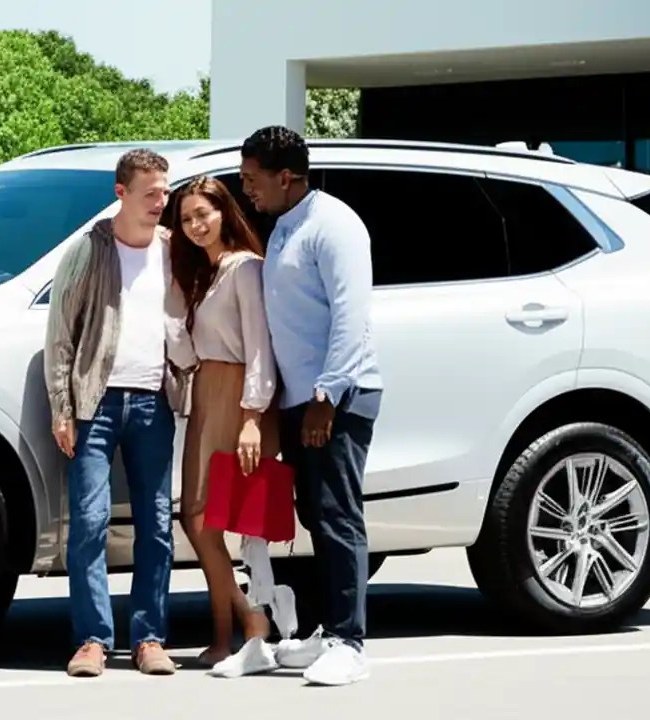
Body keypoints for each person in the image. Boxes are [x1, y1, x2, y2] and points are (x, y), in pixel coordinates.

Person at [238, 125, 384, 686]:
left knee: (339, 515)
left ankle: (351, 642)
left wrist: (327, 395)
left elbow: (351, 317)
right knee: (315, 516)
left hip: (338, 398)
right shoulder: (282, 227)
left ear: (286, 177)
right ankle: (327, 632)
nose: (248, 190)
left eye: (254, 180)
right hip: (300, 401)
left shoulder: (335, 225)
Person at [44, 148, 183, 678]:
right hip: (94, 404)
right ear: (121, 193)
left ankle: (149, 637)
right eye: (150, 193)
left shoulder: (173, 251)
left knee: (156, 526)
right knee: (89, 523)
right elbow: (61, 336)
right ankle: (93, 640)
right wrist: (62, 408)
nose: (160, 202)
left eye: (165, 191)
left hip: (153, 402)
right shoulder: (88, 251)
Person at [163, 176, 298, 678]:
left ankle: (249, 626)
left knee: (219, 518)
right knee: (198, 519)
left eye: (204, 214)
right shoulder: (203, 272)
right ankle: (231, 631)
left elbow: (261, 346)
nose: (196, 225)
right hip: (206, 393)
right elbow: (186, 348)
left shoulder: (245, 269)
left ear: (225, 211)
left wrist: (252, 418)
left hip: (239, 396)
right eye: (186, 219)